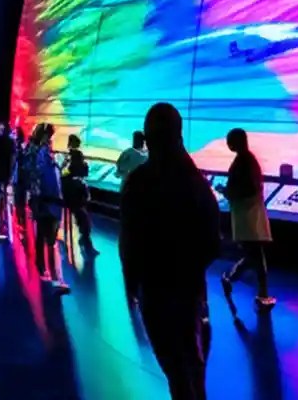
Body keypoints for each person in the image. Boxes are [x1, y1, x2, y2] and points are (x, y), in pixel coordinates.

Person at [120, 103, 221, 400]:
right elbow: (213, 244)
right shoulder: (197, 184)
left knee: (176, 371)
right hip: (191, 290)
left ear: (148, 139)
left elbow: (129, 244)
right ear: (179, 134)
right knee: (193, 367)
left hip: (154, 293)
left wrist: (133, 287)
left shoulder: (137, 184)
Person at [220, 129, 276, 311]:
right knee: (255, 257)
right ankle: (260, 294)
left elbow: (240, 190)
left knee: (254, 256)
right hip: (251, 216)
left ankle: (233, 280)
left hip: (246, 216)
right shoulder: (248, 161)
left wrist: (224, 191)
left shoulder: (240, 163)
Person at [31, 124, 70, 293]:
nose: (51, 140)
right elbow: (39, 178)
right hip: (47, 202)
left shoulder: (48, 156)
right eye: (49, 136)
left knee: (46, 238)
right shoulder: (40, 155)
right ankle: (54, 277)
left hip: (51, 202)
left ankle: (46, 271)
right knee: (49, 240)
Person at [61, 134, 98, 256]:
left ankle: (85, 241)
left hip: (73, 194)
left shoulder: (67, 158)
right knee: (84, 219)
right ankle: (86, 243)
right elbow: (83, 172)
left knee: (83, 218)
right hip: (74, 196)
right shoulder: (74, 157)